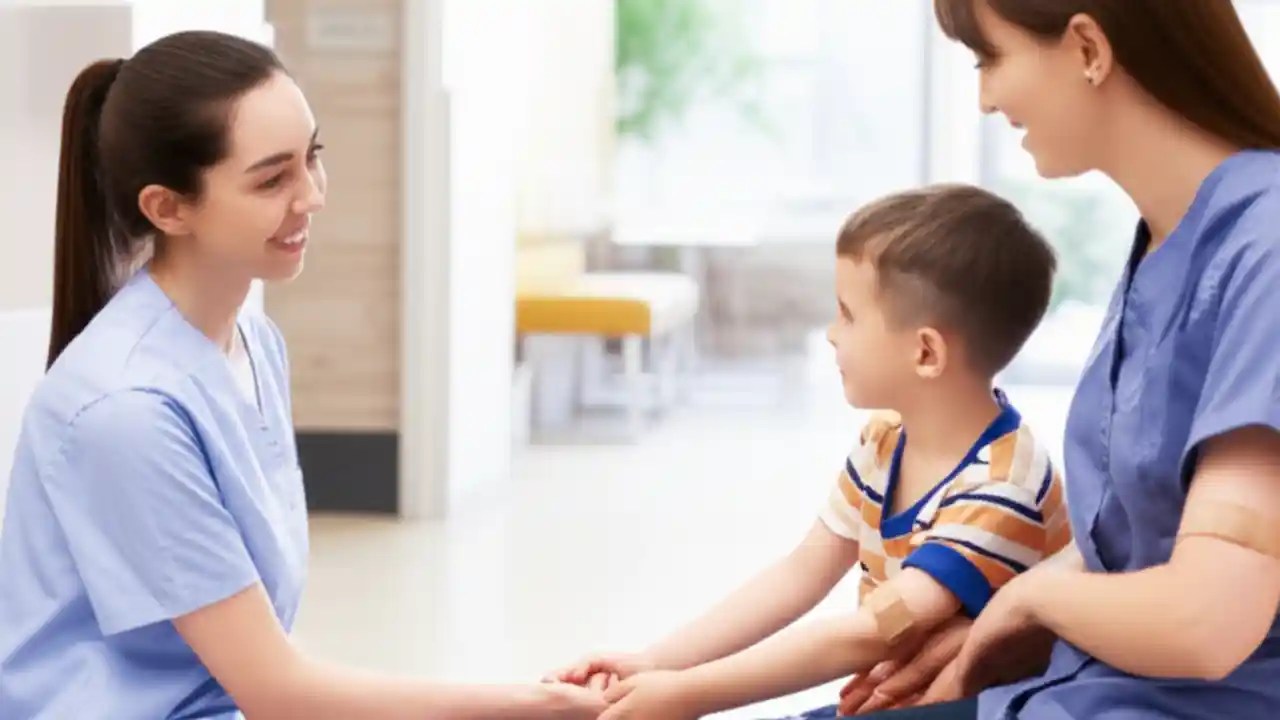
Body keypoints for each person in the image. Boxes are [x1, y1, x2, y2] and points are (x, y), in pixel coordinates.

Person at [0, 30, 604, 719]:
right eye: (271, 178)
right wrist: (538, 706)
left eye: (312, 158)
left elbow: (263, 657)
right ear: (167, 207)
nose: (312, 195)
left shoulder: (254, 345)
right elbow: (277, 692)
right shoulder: (125, 408)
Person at [843, 1, 1280, 718]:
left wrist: (1032, 599)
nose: (984, 98)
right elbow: (1139, 539)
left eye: (991, 59)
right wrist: (1012, 621)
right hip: (1087, 686)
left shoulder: (1264, 249)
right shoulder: (1172, 244)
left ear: (1086, 48)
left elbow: (1208, 621)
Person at [547, 184, 1071, 720]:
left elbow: (878, 631)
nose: (830, 333)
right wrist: (657, 664)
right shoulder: (886, 438)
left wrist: (690, 695)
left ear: (925, 352)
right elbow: (801, 574)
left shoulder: (1002, 487)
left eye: (847, 314)